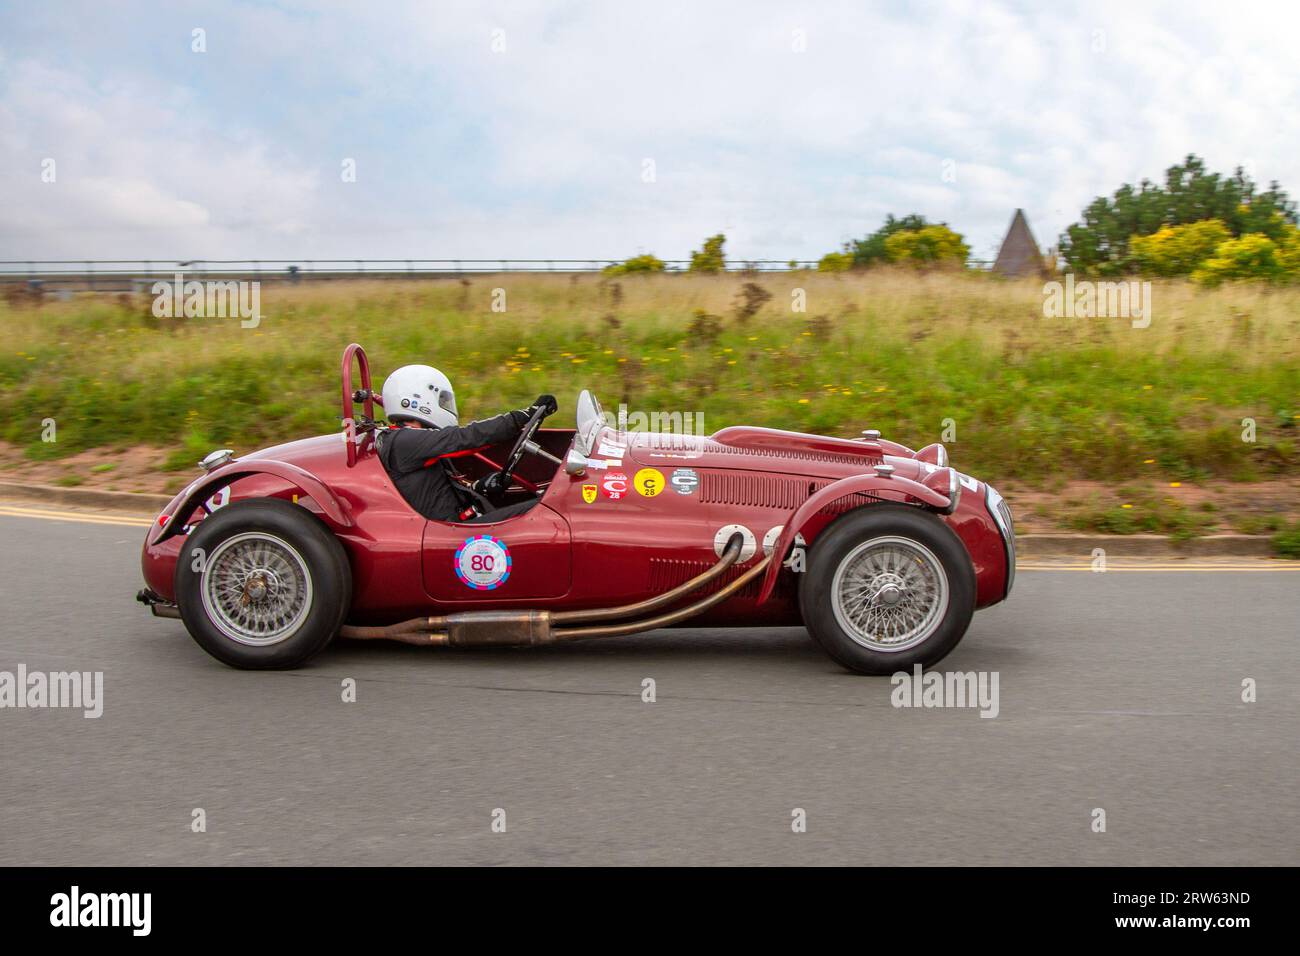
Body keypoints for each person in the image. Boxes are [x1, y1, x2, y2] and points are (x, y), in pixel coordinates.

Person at [375, 363, 557, 523]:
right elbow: (466, 439)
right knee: (552, 508)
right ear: (417, 401)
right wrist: (521, 417)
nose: (447, 406)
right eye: (443, 400)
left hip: (458, 521)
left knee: (546, 506)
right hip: (449, 533)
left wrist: (477, 487)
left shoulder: (408, 440)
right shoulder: (404, 441)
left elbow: (435, 488)